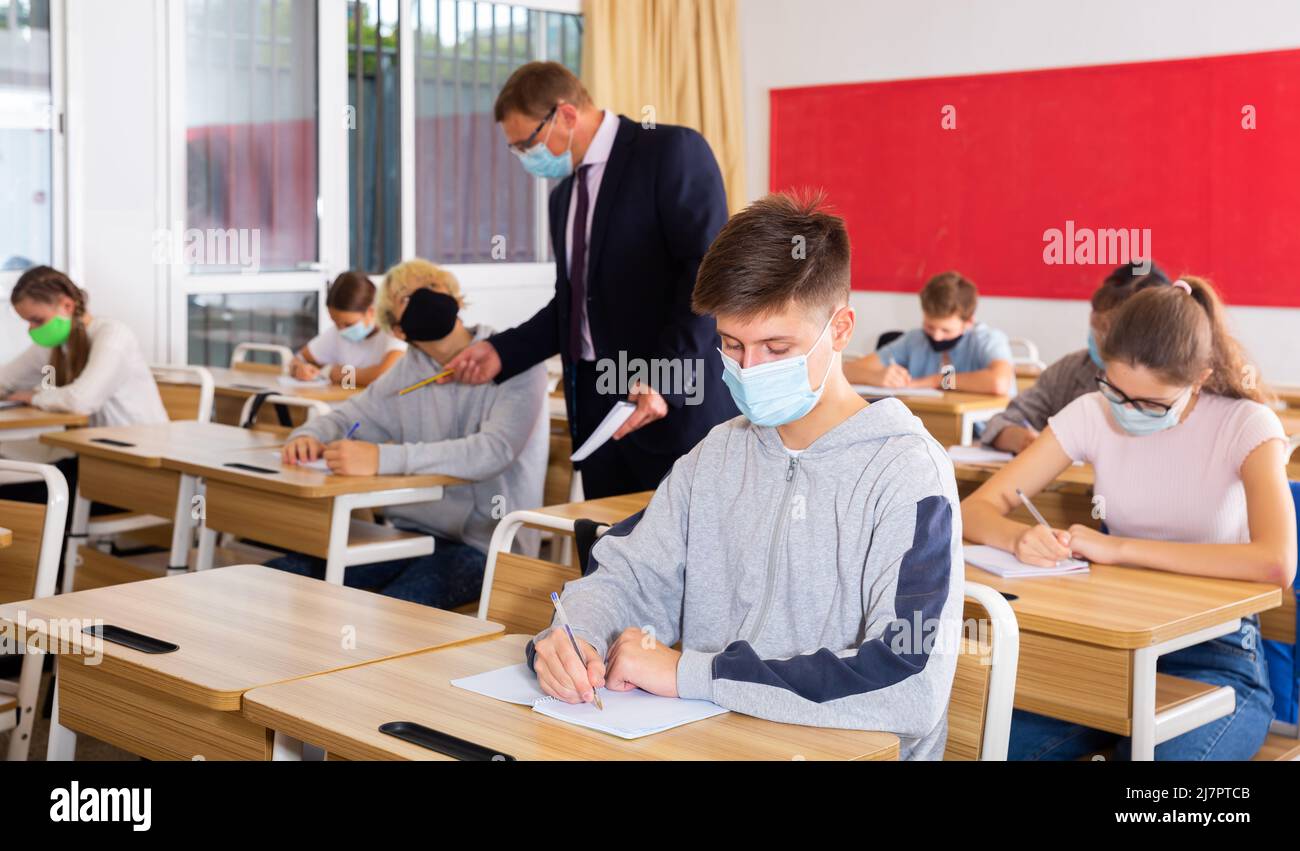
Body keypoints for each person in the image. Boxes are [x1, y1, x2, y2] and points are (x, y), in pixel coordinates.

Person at [527, 193, 964, 760]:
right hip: (713, 744)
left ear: (840, 329)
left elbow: (909, 684)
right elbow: (630, 576)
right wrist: (574, 636)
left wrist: (693, 674)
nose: (749, 370)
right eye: (731, 345)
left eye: (776, 347)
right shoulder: (717, 453)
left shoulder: (907, 471)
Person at [962, 276, 1296, 760]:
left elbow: (1276, 562)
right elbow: (976, 508)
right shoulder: (1092, 412)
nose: (1127, 412)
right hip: (1107, 655)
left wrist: (1118, 549)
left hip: (1218, 657)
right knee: (982, 746)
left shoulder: (1246, 425)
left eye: (1150, 403)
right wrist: (1019, 539)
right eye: (1116, 392)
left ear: (1199, 379)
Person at [440, 61, 738, 498]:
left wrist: (665, 379)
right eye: (516, 149)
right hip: (600, 411)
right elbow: (574, 305)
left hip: (668, 408)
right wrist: (500, 351)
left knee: (686, 562)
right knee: (603, 555)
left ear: (565, 114)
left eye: (527, 143)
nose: (525, 157)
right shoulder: (564, 197)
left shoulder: (669, 151)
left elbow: (709, 274)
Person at [269, 260, 549, 608]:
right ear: (397, 329)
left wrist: (380, 459)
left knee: (390, 611)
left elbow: (492, 452)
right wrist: (308, 435)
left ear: (456, 298)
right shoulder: (407, 371)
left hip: (487, 545)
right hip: (409, 534)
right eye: (408, 295)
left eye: (434, 286)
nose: (426, 296)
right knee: (282, 578)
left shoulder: (516, 358)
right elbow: (350, 417)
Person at [0, 266, 167, 508]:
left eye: (37, 320)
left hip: (133, 468)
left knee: (12, 497)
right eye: (28, 322)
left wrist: (33, 396)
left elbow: (81, 400)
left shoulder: (113, 336)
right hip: (91, 457)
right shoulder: (57, 344)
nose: (32, 330)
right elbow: (6, 378)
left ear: (66, 306)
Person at [981, 261, 1170, 453]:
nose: (1101, 338)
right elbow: (1004, 420)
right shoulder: (1071, 370)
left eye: (1111, 329)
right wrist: (1020, 438)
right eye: (1097, 325)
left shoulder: (1170, 389)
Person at [844, 270, 1015, 396]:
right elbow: (846, 371)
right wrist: (875, 377)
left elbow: (999, 382)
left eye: (946, 330)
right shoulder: (914, 340)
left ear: (968, 322)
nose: (936, 336)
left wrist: (937, 380)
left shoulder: (989, 339)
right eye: (930, 326)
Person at [289, 271, 405, 386]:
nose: (341, 330)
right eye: (336, 323)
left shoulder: (395, 332)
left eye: (348, 324)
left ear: (370, 311)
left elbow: (385, 376)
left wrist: (341, 374)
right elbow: (299, 359)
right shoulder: (337, 333)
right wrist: (298, 369)